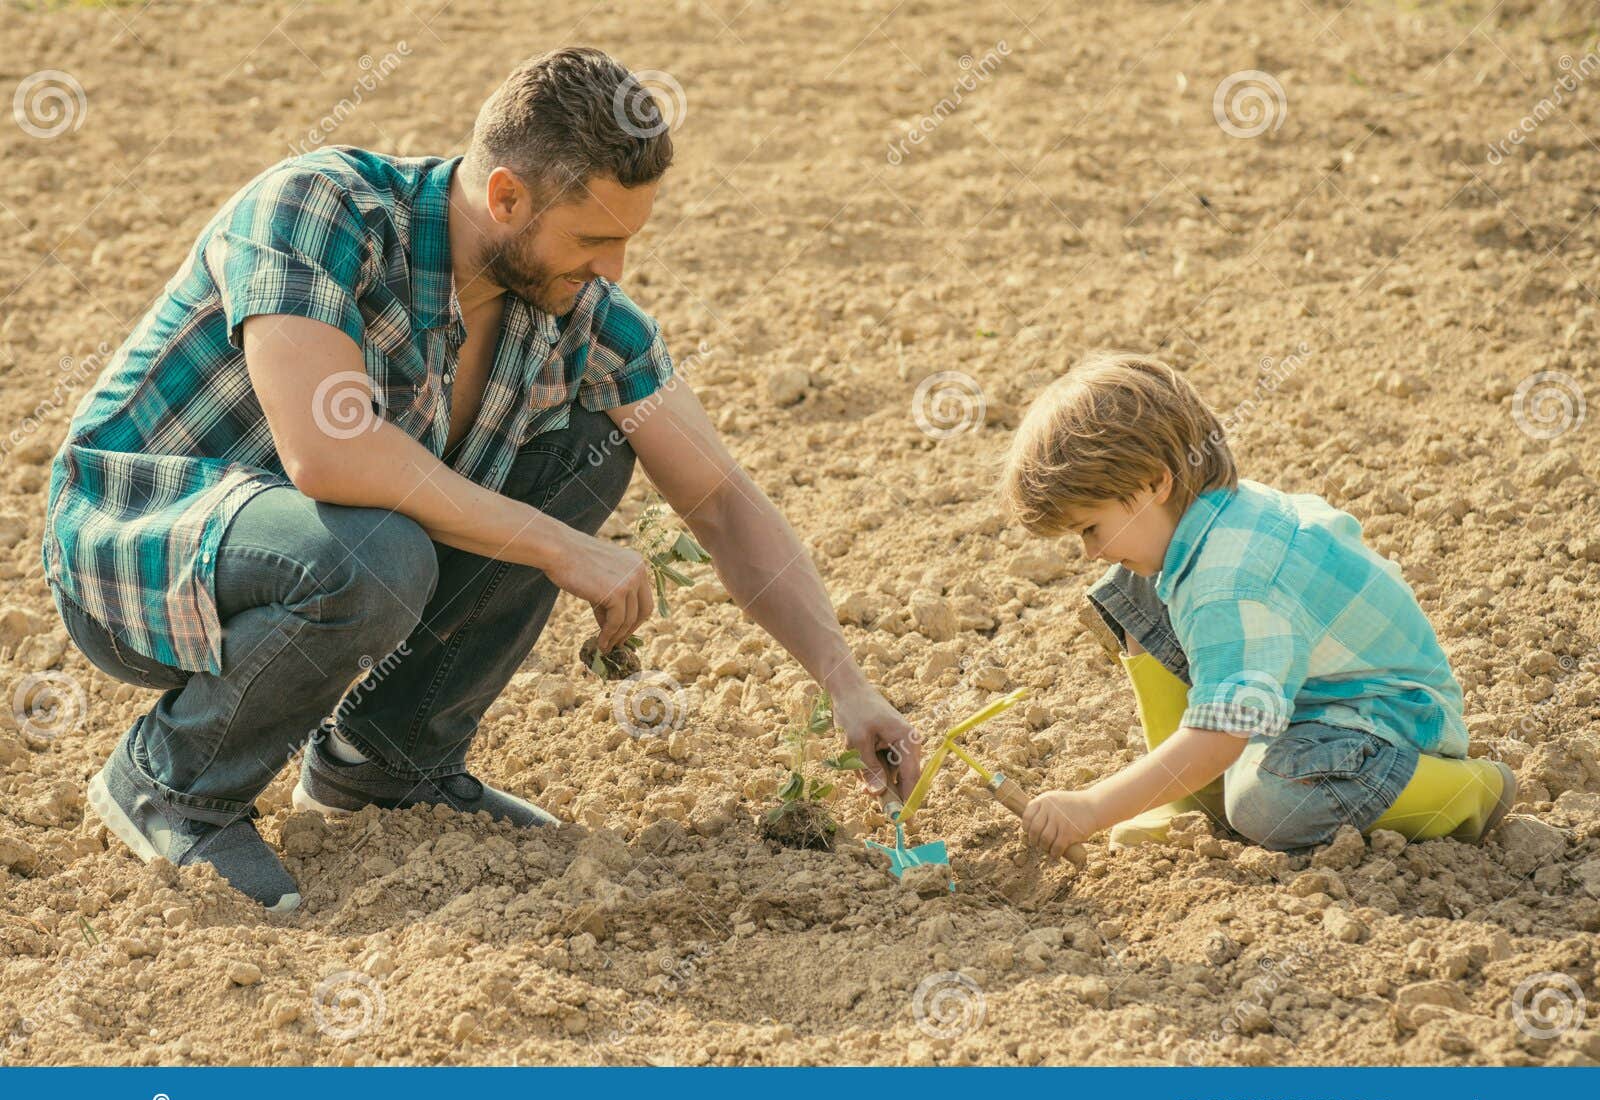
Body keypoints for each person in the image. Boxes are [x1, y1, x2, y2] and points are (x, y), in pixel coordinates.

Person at [43, 47, 920, 912]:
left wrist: (846, 681)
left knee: (590, 445)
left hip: (316, 555)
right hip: (139, 553)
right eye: (594, 238)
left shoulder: (581, 315)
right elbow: (326, 451)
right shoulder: (320, 206)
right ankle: (172, 782)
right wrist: (556, 545)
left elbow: (723, 502)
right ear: (505, 196)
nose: (612, 270)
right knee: (379, 551)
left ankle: (386, 762)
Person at [998, 350, 1514, 860]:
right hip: (1309, 704)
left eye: (1091, 527)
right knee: (1132, 590)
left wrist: (1093, 807)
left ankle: (1464, 792)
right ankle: (1183, 797)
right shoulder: (1212, 520)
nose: (1089, 551)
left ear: (1155, 482)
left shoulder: (1232, 581)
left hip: (1384, 730)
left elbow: (1221, 736)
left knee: (1267, 804)